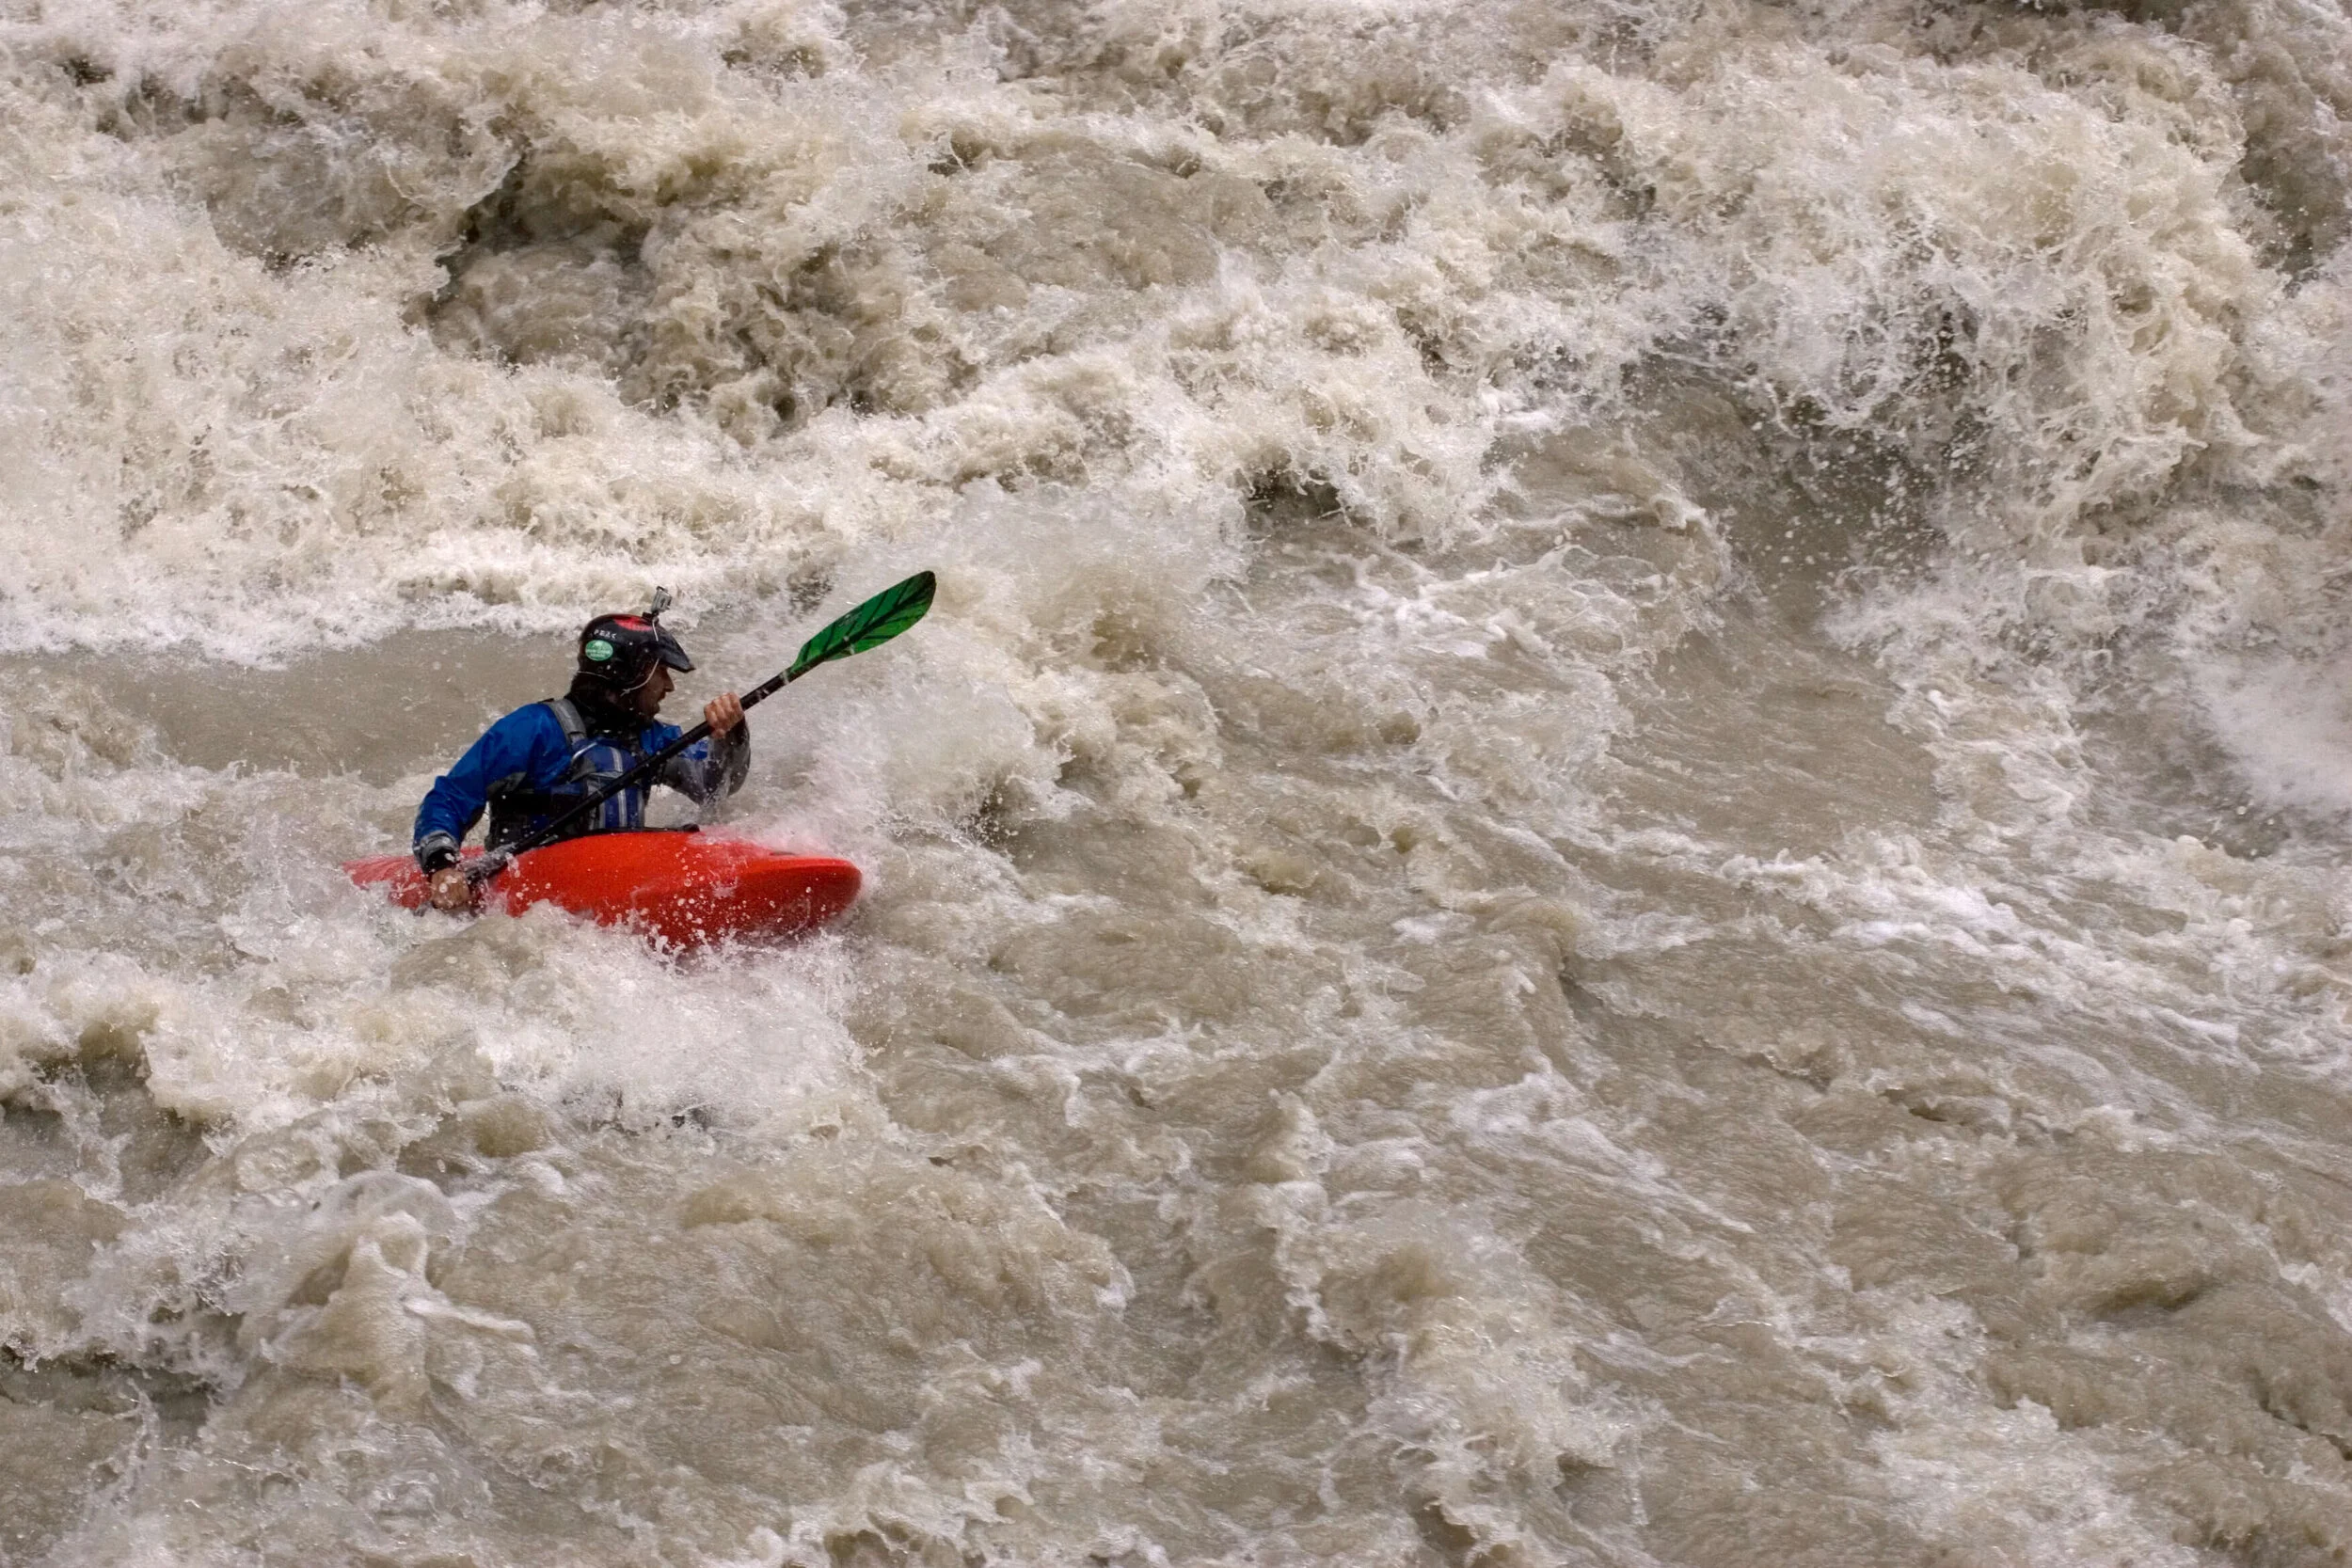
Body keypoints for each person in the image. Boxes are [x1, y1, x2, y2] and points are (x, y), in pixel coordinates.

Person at [413, 597, 749, 911]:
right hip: (535, 894)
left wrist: (730, 734)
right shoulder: (531, 730)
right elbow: (451, 797)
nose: (669, 686)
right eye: (661, 672)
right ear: (630, 675)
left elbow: (714, 788)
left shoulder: (654, 738)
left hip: (618, 881)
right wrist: (442, 866)